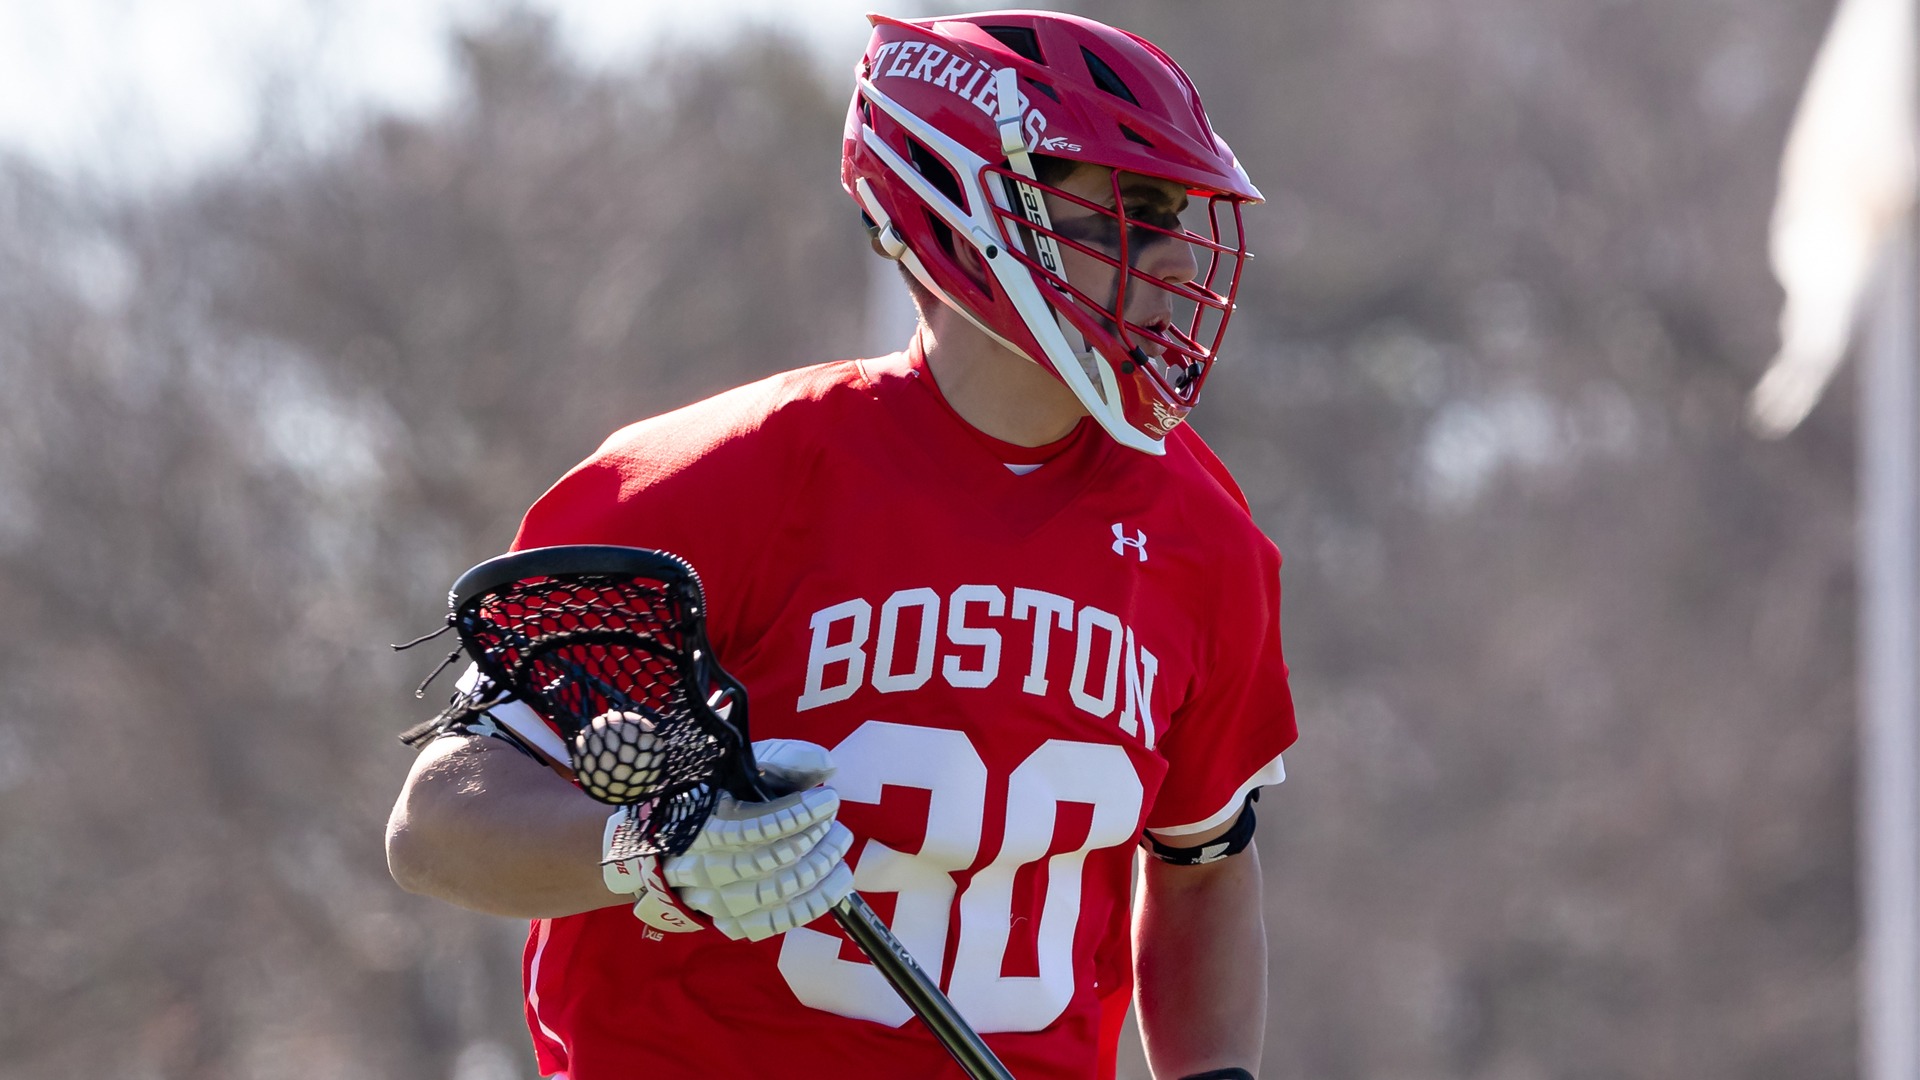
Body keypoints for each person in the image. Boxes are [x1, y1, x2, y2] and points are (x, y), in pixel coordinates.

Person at [385, 10, 1296, 1079]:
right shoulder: (717, 482)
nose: (1163, 263)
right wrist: (652, 853)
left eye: (1172, 215)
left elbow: (1200, 867)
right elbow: (437, 823)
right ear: (968, 216)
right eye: (1121, 218)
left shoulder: (1203, 538)